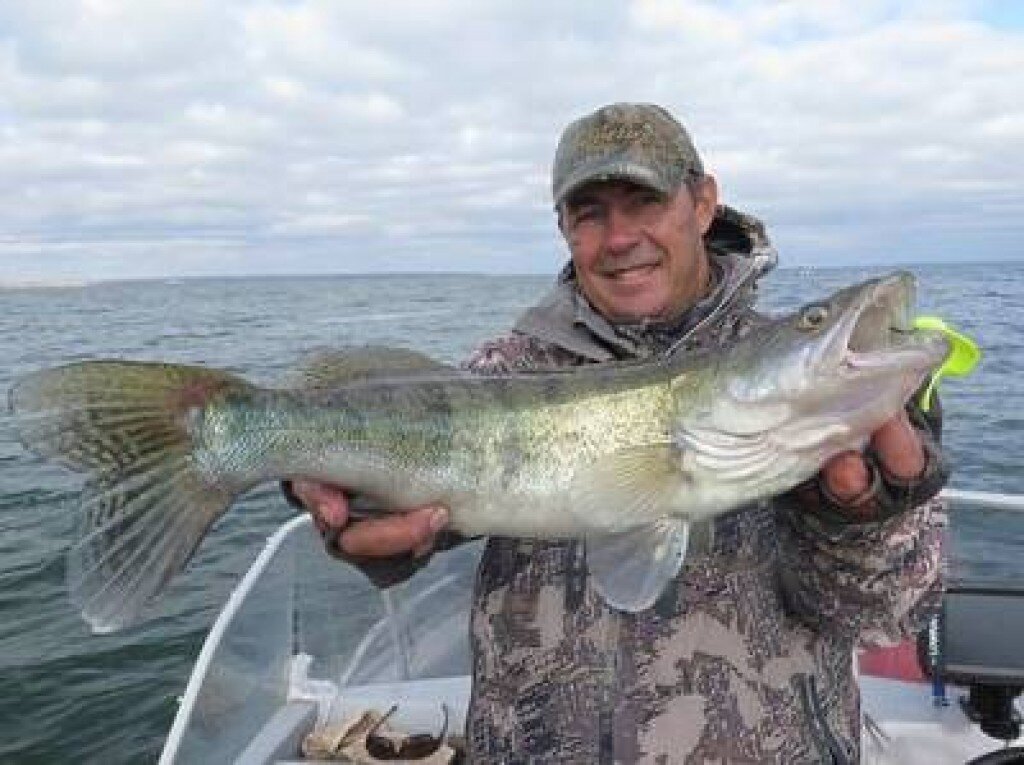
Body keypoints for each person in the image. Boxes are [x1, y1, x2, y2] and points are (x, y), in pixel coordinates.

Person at [285, 103, 949, 763]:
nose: (620, 236)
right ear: (564, 230)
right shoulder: (505, 372)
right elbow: (416, 492)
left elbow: (888, 615)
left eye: (645, 200)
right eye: (590, 212)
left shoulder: (838, 405)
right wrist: (347, 507)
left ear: (703, 202)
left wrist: (858, 518)